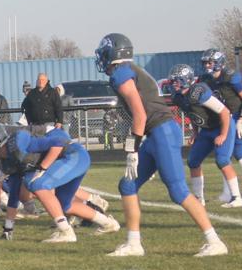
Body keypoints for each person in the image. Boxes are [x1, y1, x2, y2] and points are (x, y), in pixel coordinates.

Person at [95, 33, 227, 257]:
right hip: (156, 133)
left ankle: (214, 241)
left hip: (161, 131)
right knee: (127, 185)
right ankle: (134, 244)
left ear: (113, 53)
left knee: (178, 191)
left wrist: (132, 150)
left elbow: (139, 114)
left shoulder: (121, 73)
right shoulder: (128, 70)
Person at [0, 125, 119, 242]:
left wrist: (42, 168)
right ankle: (108, 224)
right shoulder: (11, 160)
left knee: (36, 184)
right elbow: (14, 196)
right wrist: (8, 228)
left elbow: (58, 143)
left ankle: (65, 232)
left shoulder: (24, 143)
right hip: (72, 160)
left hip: (74, 155)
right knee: (64, 206)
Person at [165, 64, 242, 210]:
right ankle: (199, 199)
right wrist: (195, 132)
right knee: (193, 161)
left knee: (222, 160)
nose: (173, 83)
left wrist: (223, 134)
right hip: (206, 130)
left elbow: (224, 112)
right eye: (172, 80)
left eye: (177, 80)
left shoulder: (198, 92)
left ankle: (237, 197)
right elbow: (192, 114)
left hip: (222, 125)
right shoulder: (179, 97)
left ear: (186, 80)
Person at [198, 49, 242, 204]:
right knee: (224, 156)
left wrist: (241, 119)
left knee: (240, 154)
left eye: (210, 62)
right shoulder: (205, 79)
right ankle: (227, 192)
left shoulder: (231, 77)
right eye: (205, 62)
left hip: (239, 115)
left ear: (219, 63)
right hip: (224, 118)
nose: (207, 65)